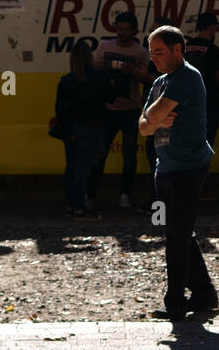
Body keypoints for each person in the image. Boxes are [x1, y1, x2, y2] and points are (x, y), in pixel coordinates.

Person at [139, 25, 218, 323]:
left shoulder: (187, 76)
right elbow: (143, 125)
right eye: (151, 52)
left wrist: (153, 120)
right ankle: (204, 294)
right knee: (175, 230)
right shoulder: (160, 81)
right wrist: (154, 121)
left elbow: (153, 117)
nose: (154, 58)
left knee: (176, 234)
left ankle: (175, 303)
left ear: (178, 49)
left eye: (159, 52)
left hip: (188, 166)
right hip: (165, 166)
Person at [93, 11, 151, 211]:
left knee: (129, 154)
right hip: (108, 109)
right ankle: (90, 194)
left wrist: (133, 72)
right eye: (119, 29)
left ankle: (125, 195)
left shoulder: (141, 52)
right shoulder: (104, 46)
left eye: (126, 29)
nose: (122, 33)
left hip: (130, 109)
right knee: (100, 152)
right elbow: (94, 70)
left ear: (134, 30)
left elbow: (148, 78)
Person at [56, 39, 112, 219]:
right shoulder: (100, 77)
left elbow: (59, 109)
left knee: (72, 168)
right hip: (93, 127)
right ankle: (81, 205)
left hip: (72, 128)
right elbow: (111, 98)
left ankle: (73, 205)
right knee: (84, 168)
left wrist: (67, 130)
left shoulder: (66, 81)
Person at [183, 12, 219, 144]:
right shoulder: (213, 50)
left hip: (185, 104)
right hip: (208, 104)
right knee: (205, 144)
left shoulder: (185, 48)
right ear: (212, 27)